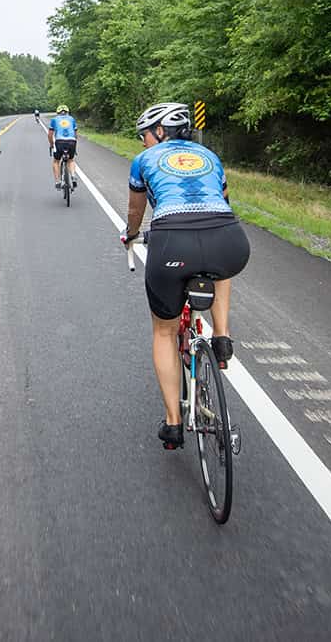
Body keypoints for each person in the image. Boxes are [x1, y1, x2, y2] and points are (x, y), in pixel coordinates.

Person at [119, 101, 250, 450]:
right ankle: (222, 336)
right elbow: (223, 201)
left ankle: (174, 423)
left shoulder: (144, 160)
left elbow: (136, 210)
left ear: (160, 131)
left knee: (164, 331)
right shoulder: (210, 156)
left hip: (172, 245)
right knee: (221, 266)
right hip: (229, 239)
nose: (143, 141)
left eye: (145, 134)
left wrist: (130, 234)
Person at [47, 104, 79, 188]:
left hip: (59, 142)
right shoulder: (72, 119)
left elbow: (50, 135)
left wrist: (52, 145)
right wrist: (74, 145)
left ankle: (57, 181)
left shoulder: (54, 119)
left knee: (56, 161)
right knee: (71, 160)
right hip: (72, 141)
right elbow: (75, 134)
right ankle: (73, 176)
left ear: (58, 112)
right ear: (67, 112)